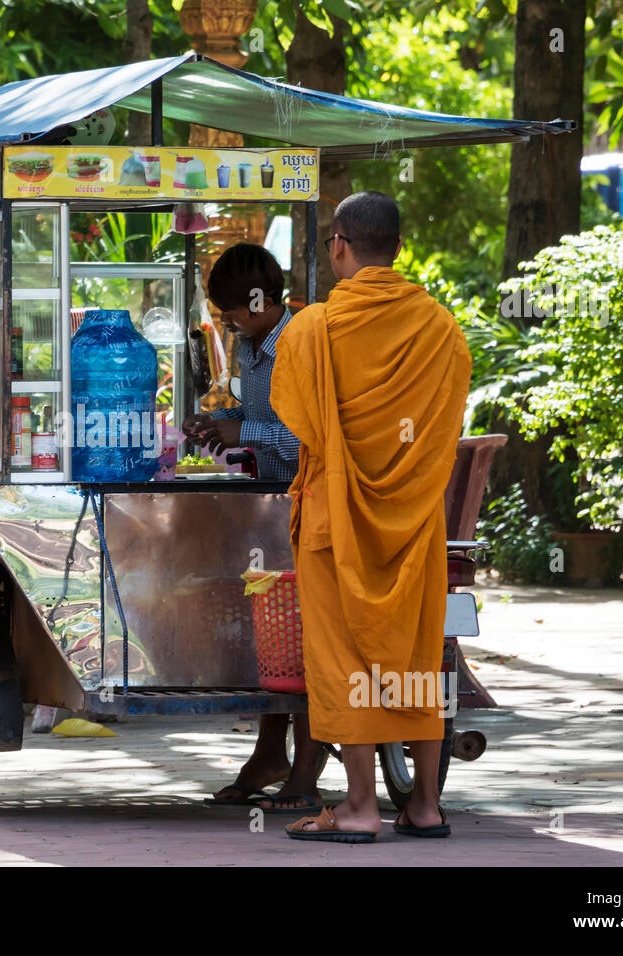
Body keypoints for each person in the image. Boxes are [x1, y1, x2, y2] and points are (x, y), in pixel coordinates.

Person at [270, 191, 471, 843]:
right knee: (414, 656)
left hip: (336, 524)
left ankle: (359, 808)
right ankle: (426, 806)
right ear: (399, 248)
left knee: (344, 660)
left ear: (338, 244)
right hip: (412, 524)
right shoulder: (440, 328)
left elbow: (296, 420)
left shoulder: (311, 330)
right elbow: (443, 428)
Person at [182, 242, 326, 814]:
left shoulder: (302, 343)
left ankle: (307, 766)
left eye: (234, 313)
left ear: (259, 302)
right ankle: (270, 752)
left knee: (312, 642)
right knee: (279, 641)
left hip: (314, 504)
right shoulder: (249, 349)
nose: (230, 325)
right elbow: (261, 417)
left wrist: (248, 436)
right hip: (273, 508)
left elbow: (308, 437)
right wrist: (222, 422)